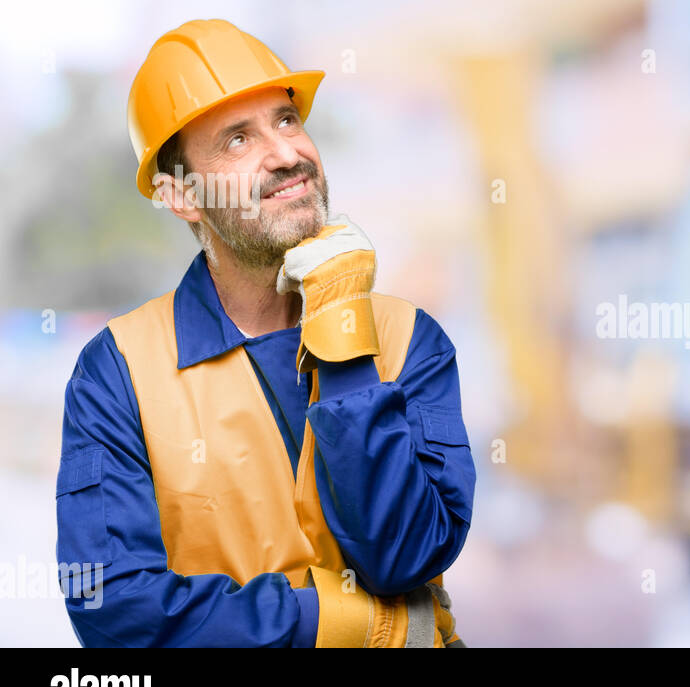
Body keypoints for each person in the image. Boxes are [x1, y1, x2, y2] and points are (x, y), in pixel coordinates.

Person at [54, 18, 473, 647]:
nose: (285, 154)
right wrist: (323, 624)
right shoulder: (118, 372)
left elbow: (404, 556)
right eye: (237, 140)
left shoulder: (410, 338)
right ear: (181, 196)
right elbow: (111, 606)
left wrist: (341, 328)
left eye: (285, 119)